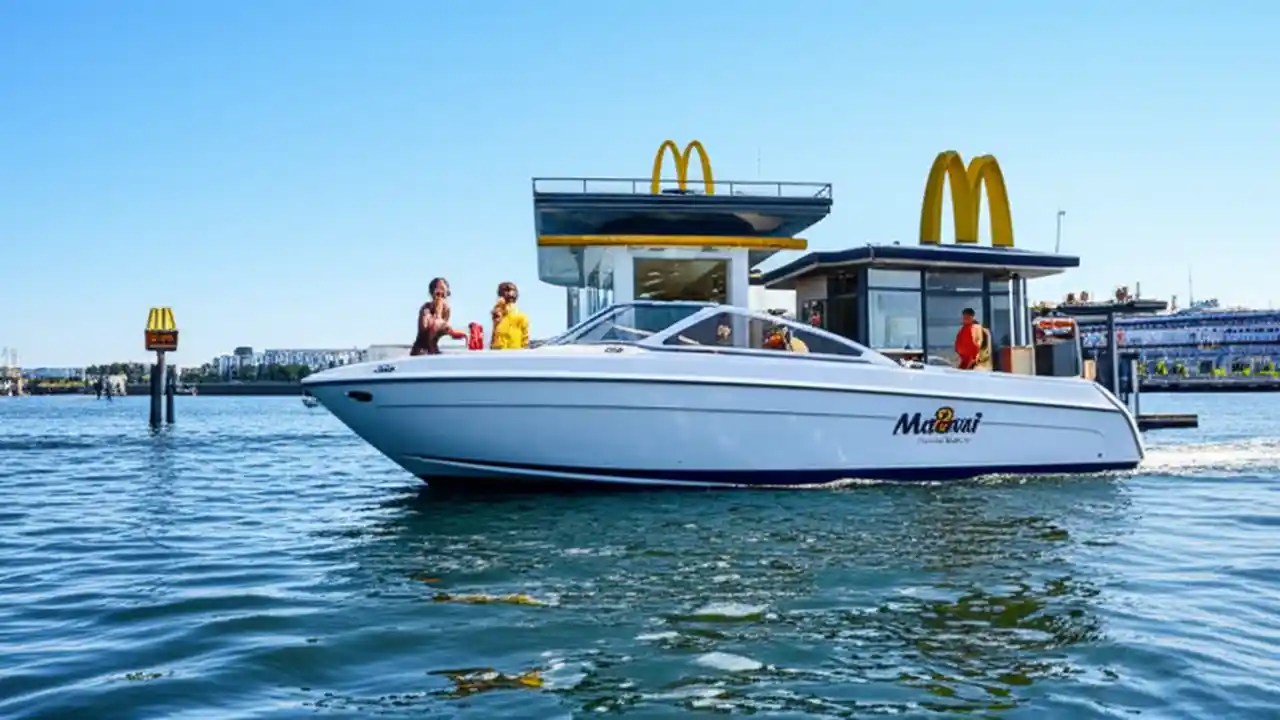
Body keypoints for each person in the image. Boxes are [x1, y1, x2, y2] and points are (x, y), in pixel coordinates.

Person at [411, 277, 465, 356]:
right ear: (432, 293)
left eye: (443, 290)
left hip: (433, 350)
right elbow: (428, 328)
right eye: (437, 292)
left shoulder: (446, 309)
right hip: (421, 352)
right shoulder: (426, 309)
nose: (440, 293)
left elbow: (438, 332)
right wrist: (437, 313)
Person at [489, 281, 530, 350]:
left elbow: (525, 337)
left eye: (512, 290)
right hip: (501, 350)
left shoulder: (521, 316)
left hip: (514, 351)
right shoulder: (499, 311)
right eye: (506, 290)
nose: (510, 293)